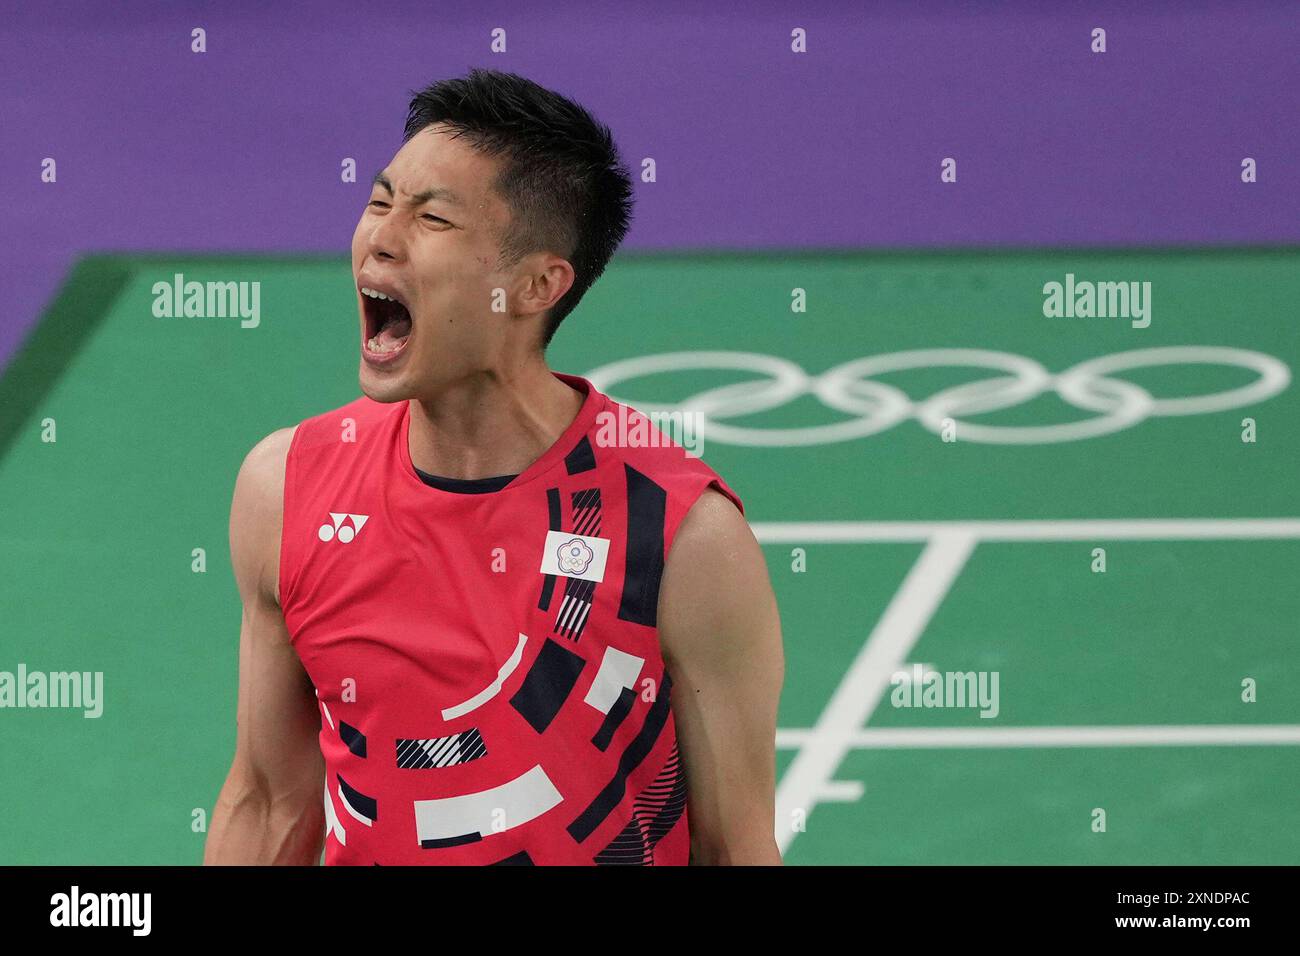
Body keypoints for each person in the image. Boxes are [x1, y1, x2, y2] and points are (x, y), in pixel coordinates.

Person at [204, 68, 784, 865]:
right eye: (379, 203)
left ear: (538, 283)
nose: (380, 237)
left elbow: (733, 847)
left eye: (432, 217)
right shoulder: (286, 490)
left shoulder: (680, 535)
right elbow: (271, 800)